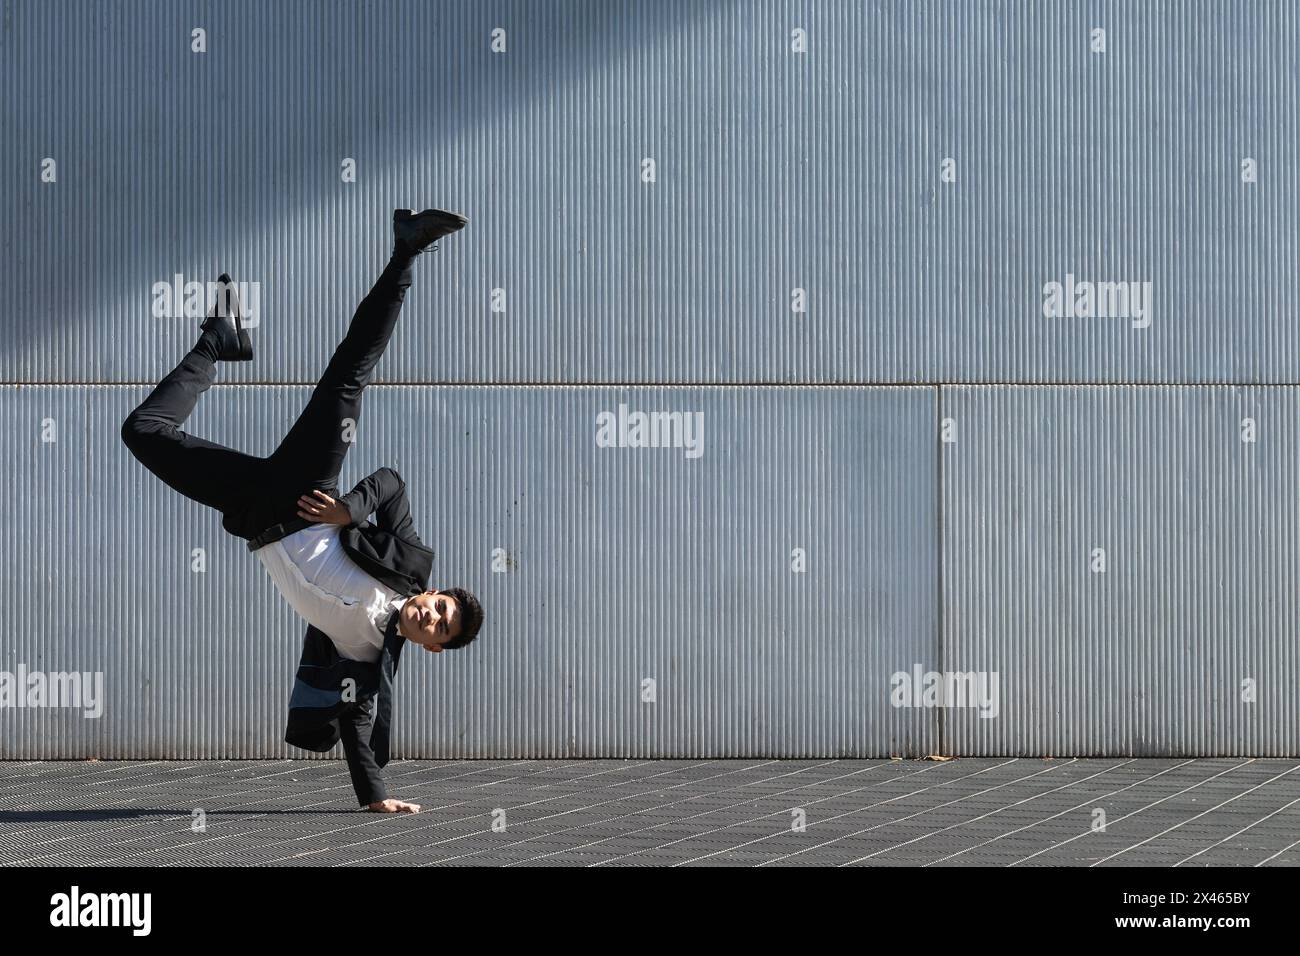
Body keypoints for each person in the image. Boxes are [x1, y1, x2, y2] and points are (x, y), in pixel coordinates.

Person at [121, 208, 485, 813]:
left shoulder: (368, 659)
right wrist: (347, 511)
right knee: (348, 376)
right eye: (442, 606)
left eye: (440, 629)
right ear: (437, 592)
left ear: (432, 649)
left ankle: (218, 340)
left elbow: (356, 726)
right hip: (307, 494)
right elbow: (391, 483)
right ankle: (406, 253)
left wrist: (376, 798)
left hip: (258, 514)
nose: (433, 615)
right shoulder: (413, 561)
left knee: (142, 432)